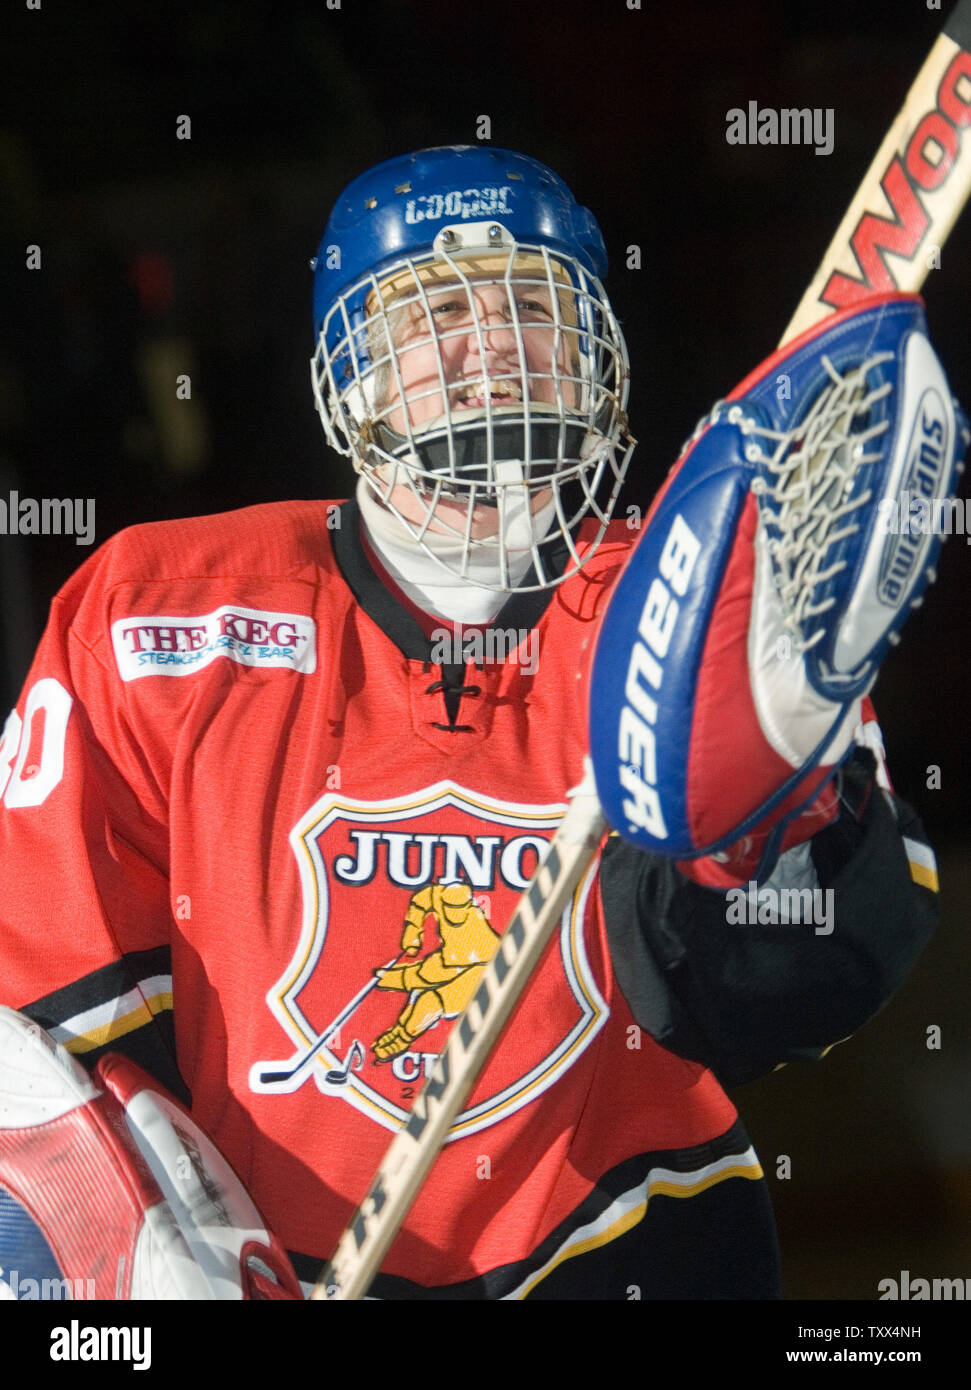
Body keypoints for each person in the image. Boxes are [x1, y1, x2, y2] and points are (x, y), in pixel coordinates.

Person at [0, 145, 943, 1299]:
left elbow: (799, 994)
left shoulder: (708, 603)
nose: (490, 341)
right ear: (349, 378)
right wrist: (152, 1251)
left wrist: (769, 816)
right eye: (436, 309)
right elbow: (44, 1028)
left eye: (528, 305)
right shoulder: (160, 616)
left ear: (596, 359)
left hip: (636, 1262)